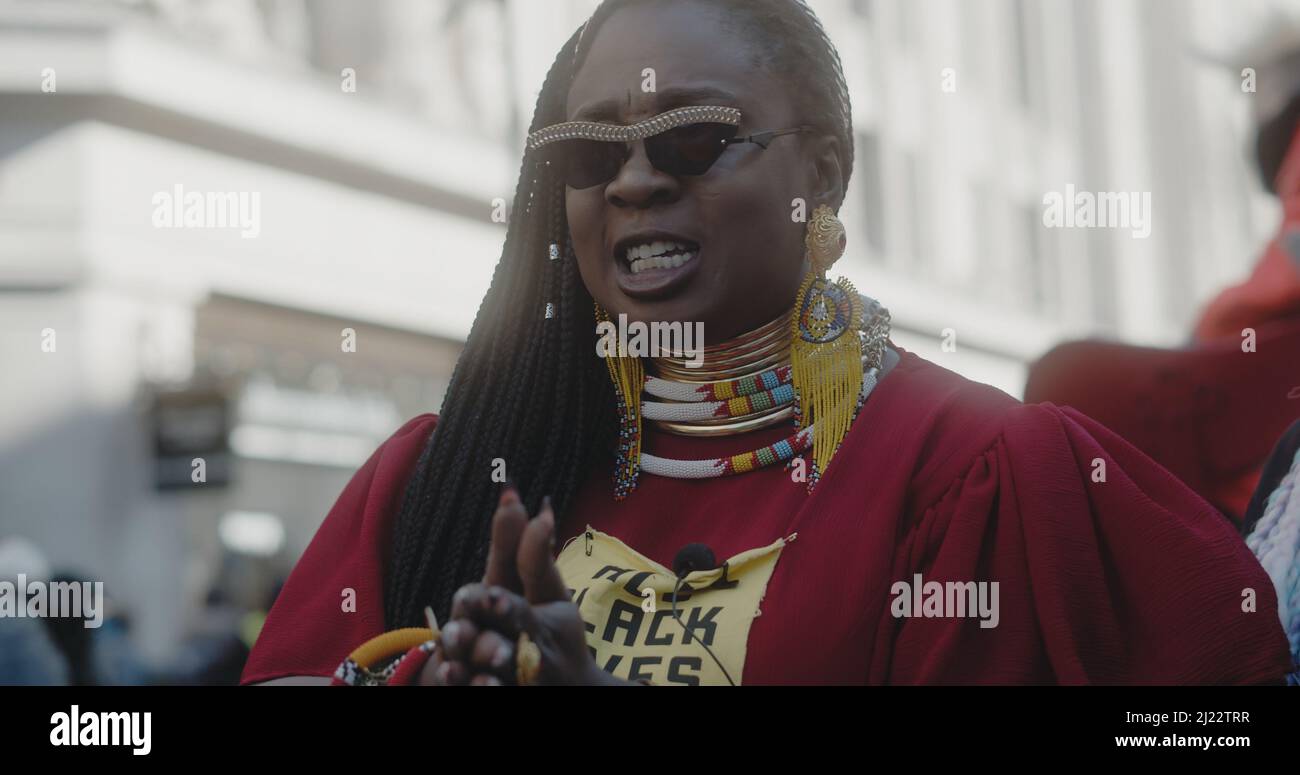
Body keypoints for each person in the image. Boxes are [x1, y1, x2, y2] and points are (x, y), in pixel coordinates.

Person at [242, 0, 1292, 686]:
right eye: (588, 152)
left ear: (823, 175)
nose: (635, 180)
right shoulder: (432, 481)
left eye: (693, 137)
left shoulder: (979, 475)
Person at [1025, 20, 1300, 522]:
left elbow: (1288, 269)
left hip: (1270, 402)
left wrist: (1211, 324)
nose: (1249, 108)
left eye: (1254, 86)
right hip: (1263, 411)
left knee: (1072, 382)